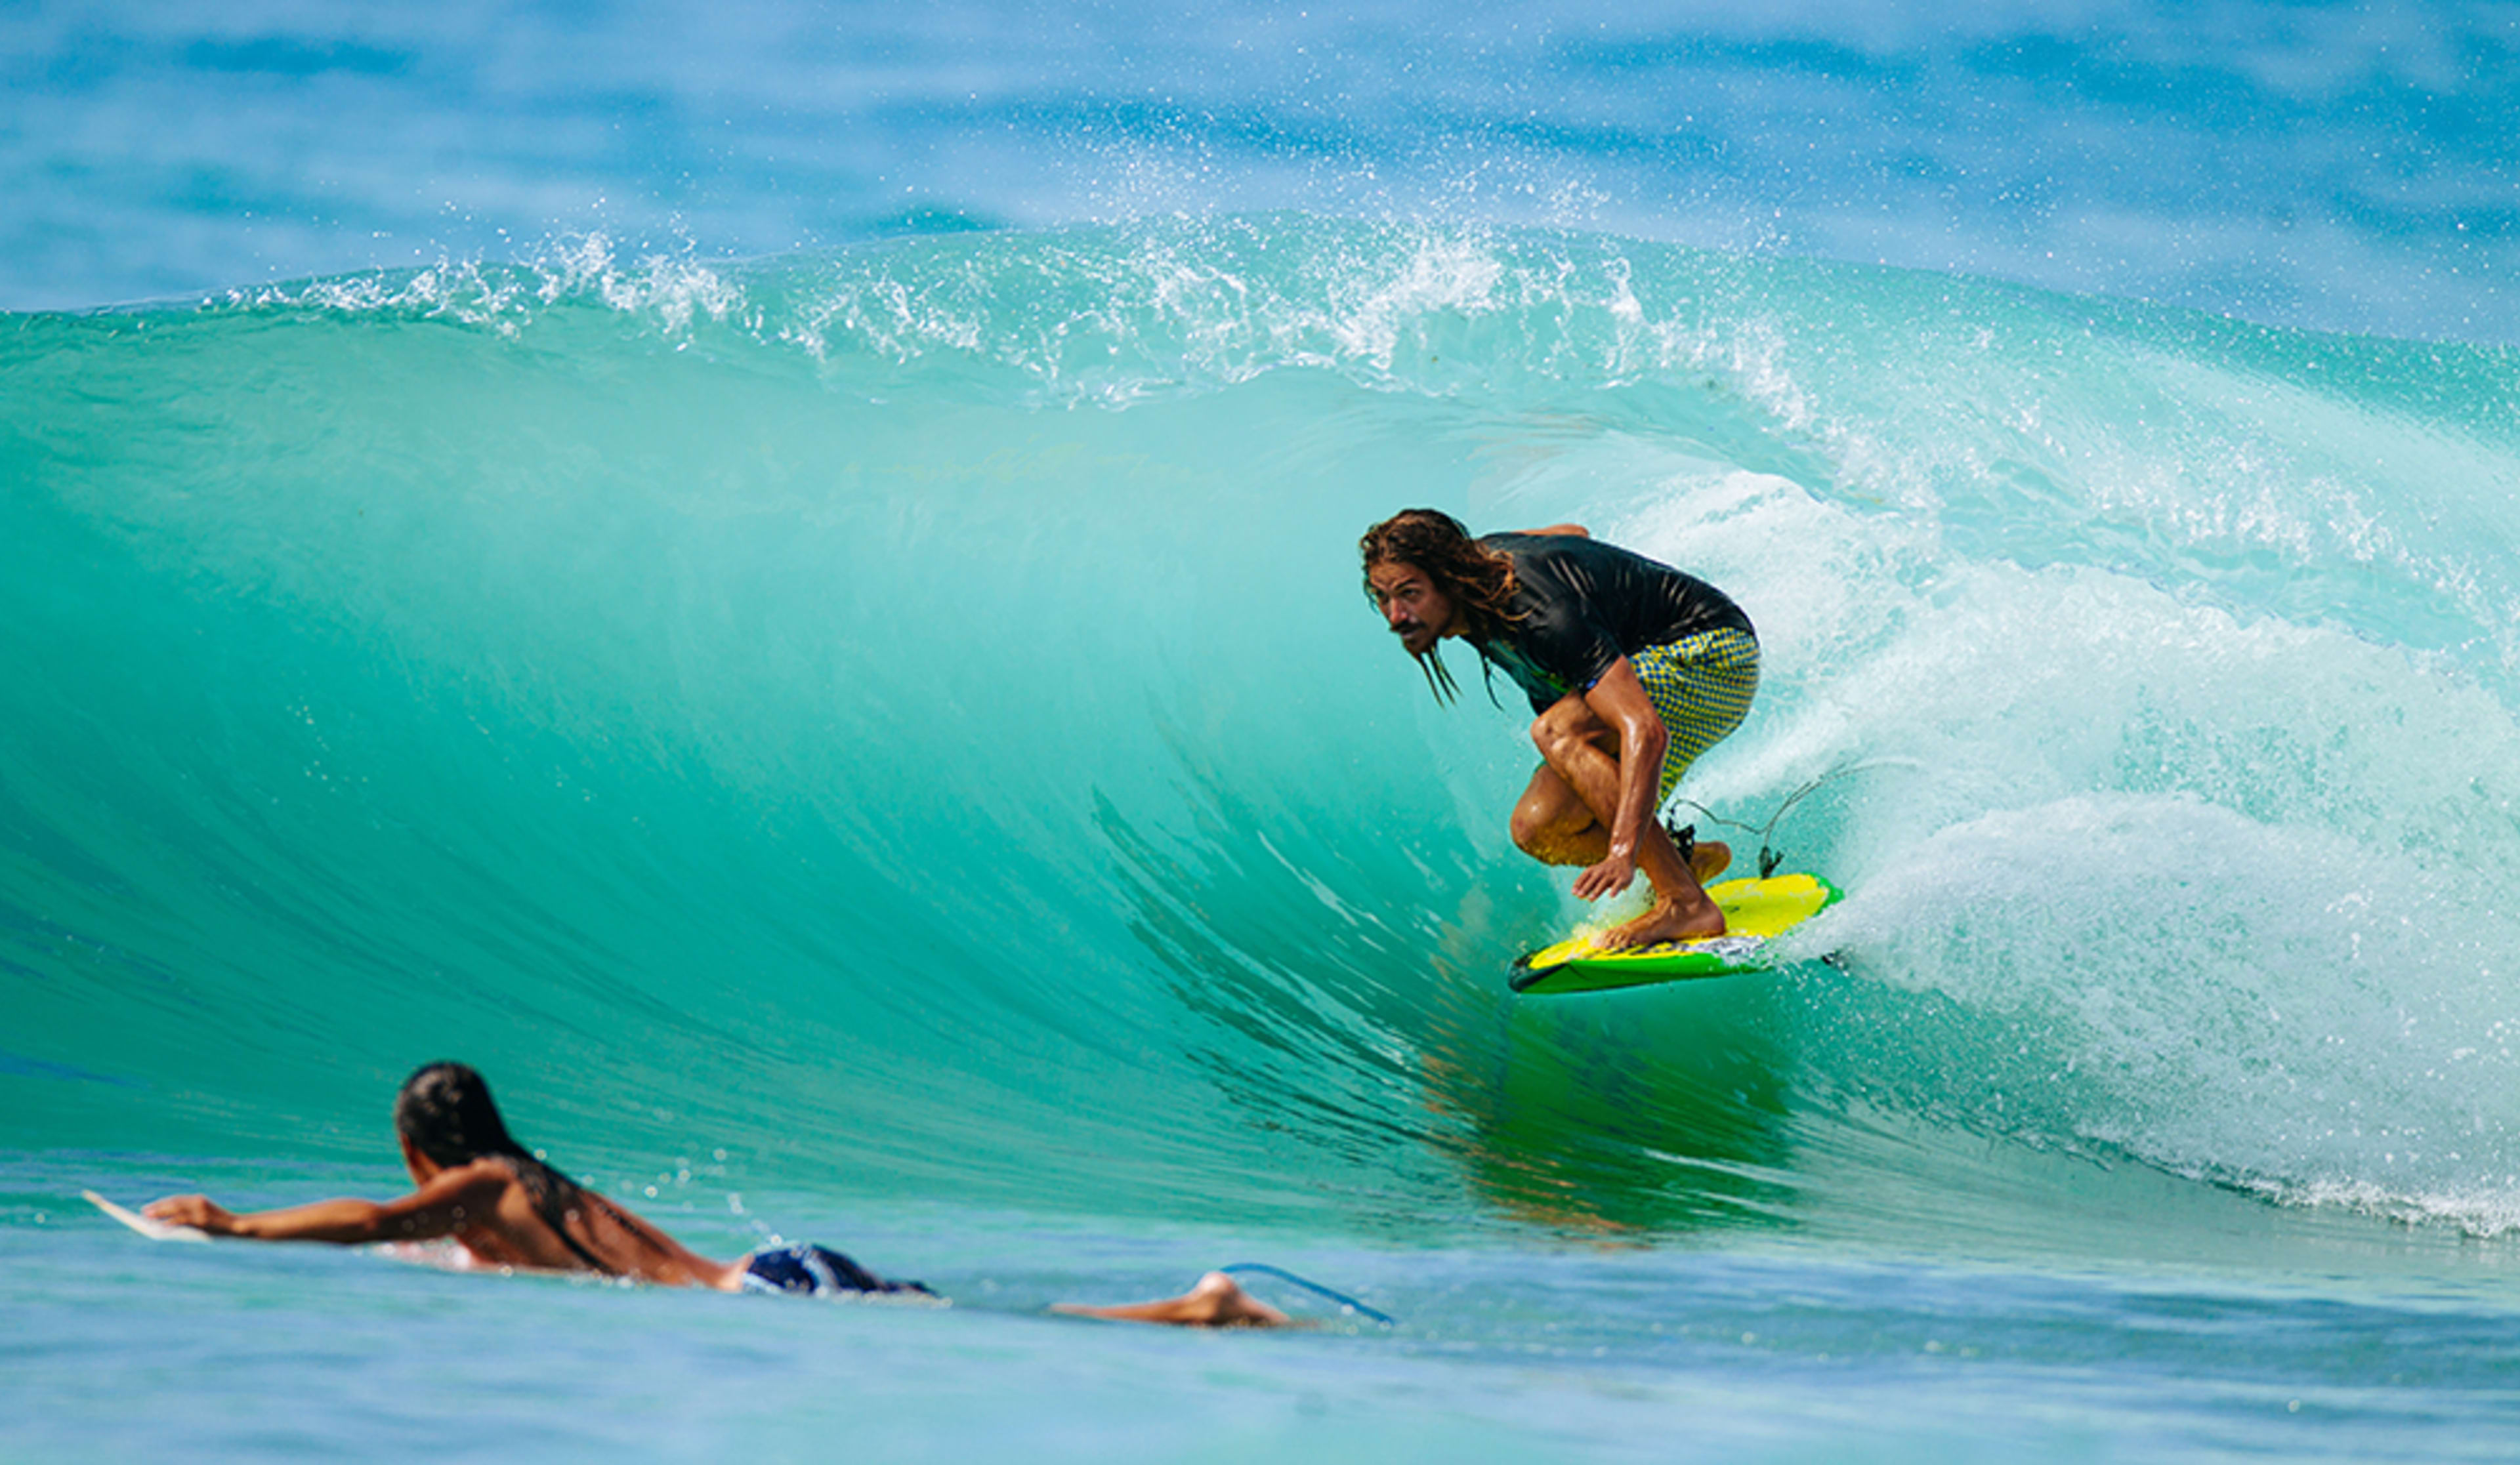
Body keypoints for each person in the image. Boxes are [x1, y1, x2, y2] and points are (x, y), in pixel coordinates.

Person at [143, 1062, 1289, 1328]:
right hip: (785, 1268)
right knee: (984, 1323)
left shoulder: (481, 1186)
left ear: (422, 1143)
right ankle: (1201, 1307)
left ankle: (1201, 1308)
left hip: (773, 1292)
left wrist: (236, 1225)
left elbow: (375, 1223)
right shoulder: (531, 1178)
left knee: (996, 1327)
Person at [1360, 509, 1758, 950]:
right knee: (1539, 828)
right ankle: (1684, 863)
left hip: (1713, 654)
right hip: (1661, 671)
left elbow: (1646, 730)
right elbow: (1573, 534)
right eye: (1382, 596)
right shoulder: (1479, 566)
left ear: (1450, 581)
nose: (1395, 616)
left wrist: (1623, 853)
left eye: (1409, 594)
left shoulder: (1542, 613)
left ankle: (1684, 902)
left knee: (1556, 732)